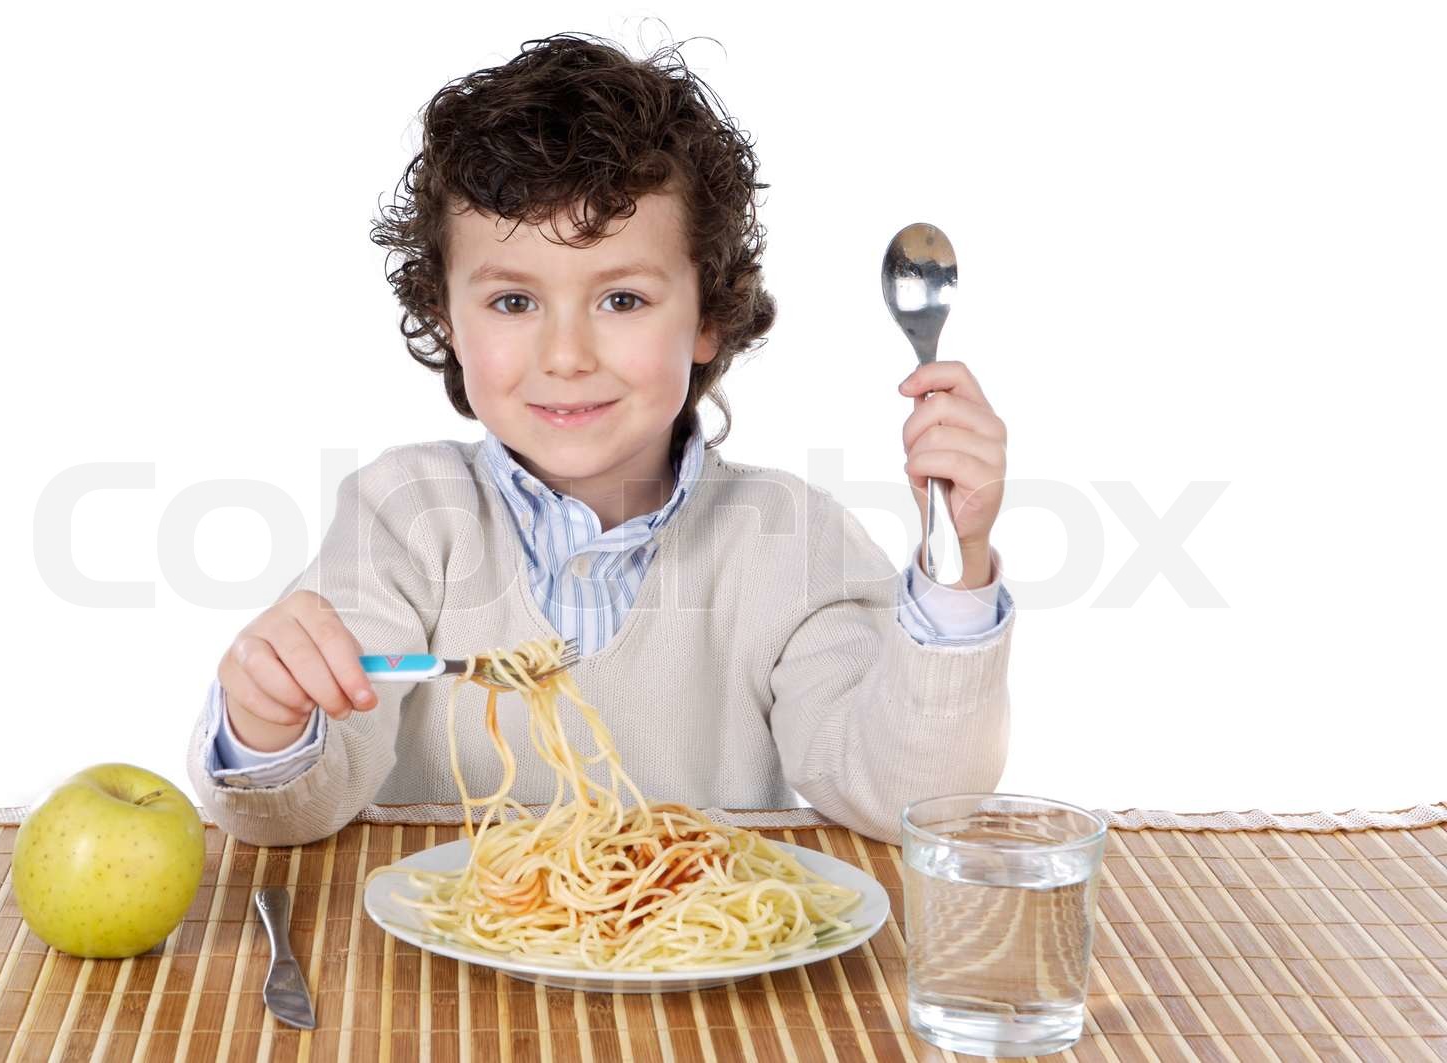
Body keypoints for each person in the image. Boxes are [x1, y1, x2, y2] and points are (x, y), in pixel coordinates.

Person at [185, 32, 1014, 846]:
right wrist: (267, 723)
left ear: (709, 317)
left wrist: (958, 563)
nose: (568, 356)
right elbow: (296, 809)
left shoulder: (787, 540)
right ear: (446, 317)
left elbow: (914, 800)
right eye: (514, 302)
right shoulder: (404, 515)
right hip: (444, 980)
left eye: (622, 300)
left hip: (704, 973)